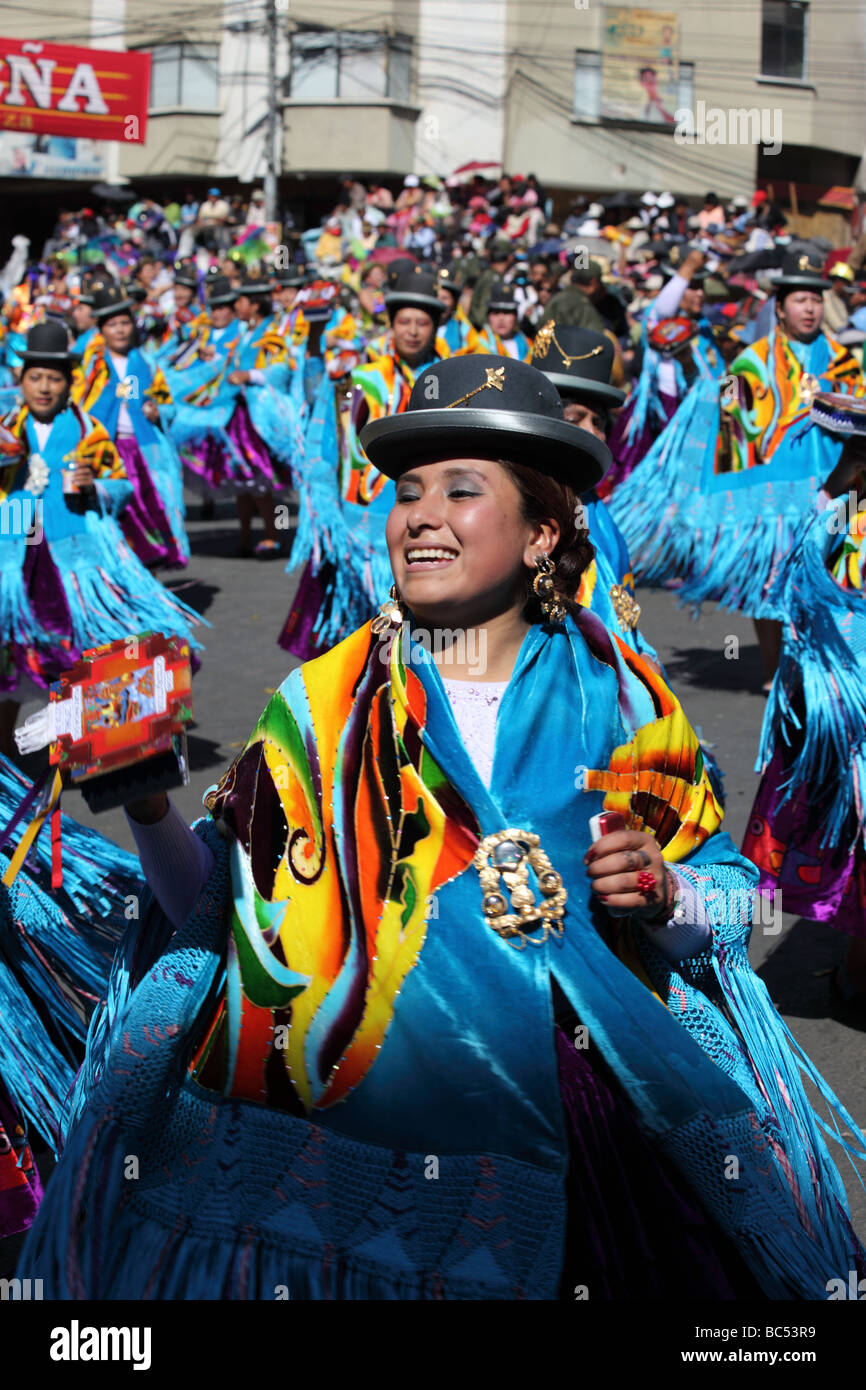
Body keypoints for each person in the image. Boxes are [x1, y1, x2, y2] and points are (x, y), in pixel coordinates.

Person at [22, 355, 866, 1300]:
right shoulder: (322, 704)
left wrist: (666, 894)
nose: (418, 515)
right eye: (407, 492)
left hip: (594, 1126)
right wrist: (145, 807)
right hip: (352, 1138)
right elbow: (214, 918)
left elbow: (737, 901)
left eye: (461, 491)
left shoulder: (623, 698)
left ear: (545, 532)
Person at [0, 322, 201, 756]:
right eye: (35, 377)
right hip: (16, 555)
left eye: (54, 378)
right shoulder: (7, 429)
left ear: (69, 383)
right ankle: (5, 753)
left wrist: (96, 486)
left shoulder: (87, 428)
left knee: (73, 654)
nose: (44, 387)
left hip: (73, 559)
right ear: (22, 381)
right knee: (14, 655)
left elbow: (122, 484)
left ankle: (80, 746)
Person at [73, 283, 189, 570]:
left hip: (146, 451)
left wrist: (158, 411)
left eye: (125, 322)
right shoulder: (90, 368)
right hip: (110, 453)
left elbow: (170, 405)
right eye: (112, 324)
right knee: (121, 520)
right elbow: (81, 408)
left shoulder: (148, 364)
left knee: (154, 514)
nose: (121, 330)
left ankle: (156, 584)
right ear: (101, 329)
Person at [475, 283, 532, 360]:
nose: (501, 318)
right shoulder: (477, 345)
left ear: (515, 316)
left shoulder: (528, 344)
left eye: (507, 312)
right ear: (488, 316)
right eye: (496, 312)